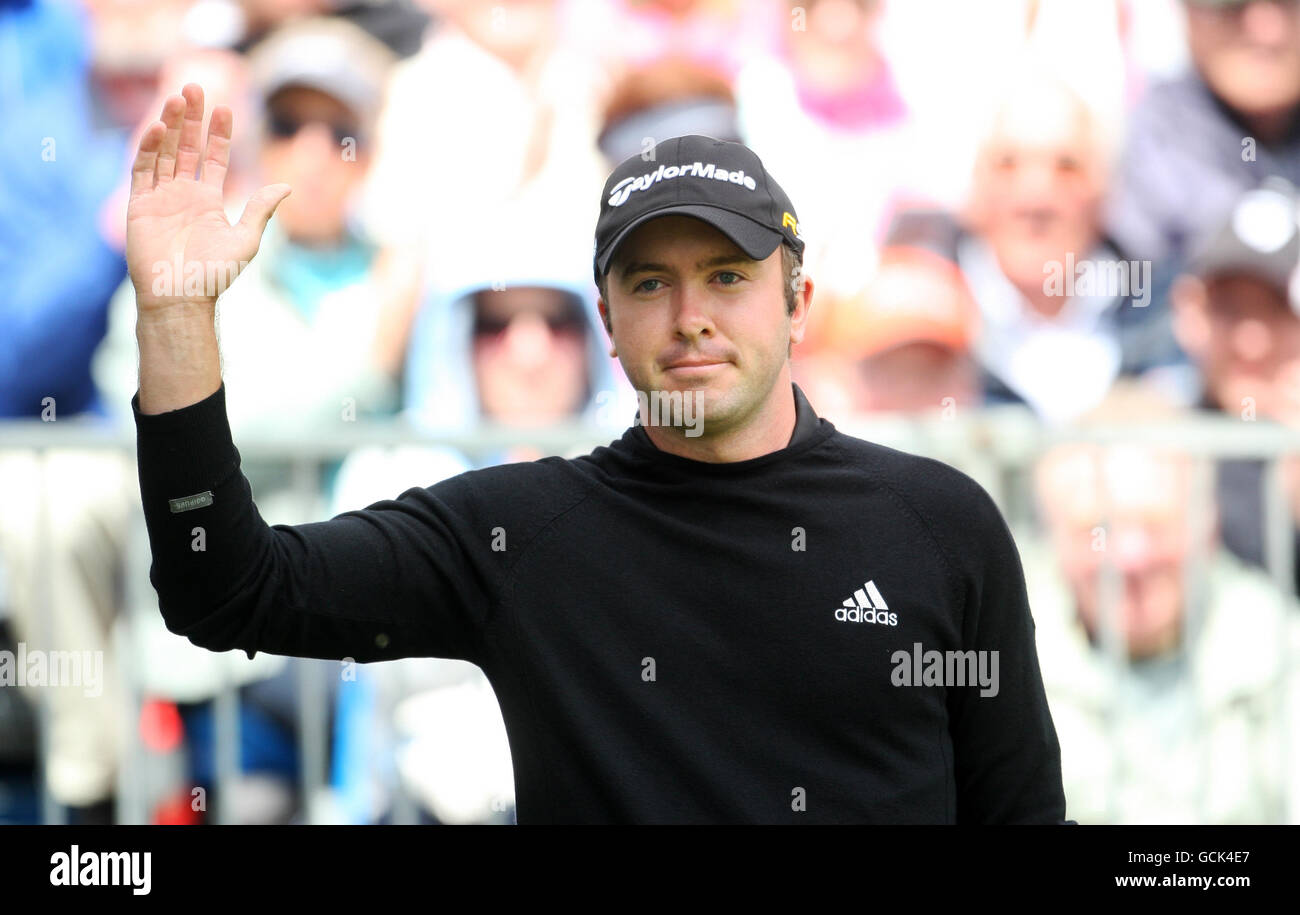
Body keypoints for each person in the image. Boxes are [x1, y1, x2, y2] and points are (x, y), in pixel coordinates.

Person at [124, 86, 1068, 823]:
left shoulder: (941, 524)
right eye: (651, 281)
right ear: (609, 322)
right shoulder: (517, 533)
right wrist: (172, 320)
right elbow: (224, 587)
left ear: (797, 302)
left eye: (728, 276)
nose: (690, 314)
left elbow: (1021, 816)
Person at [1025, 387, 1300, 823]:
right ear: (1053, 542)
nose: (1130, 558)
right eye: (1095, 530)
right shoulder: (1003, 672)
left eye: (1155, 525)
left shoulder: (1283, 651)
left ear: (1208, 526)